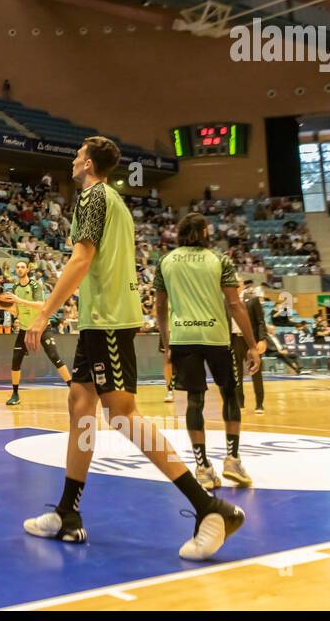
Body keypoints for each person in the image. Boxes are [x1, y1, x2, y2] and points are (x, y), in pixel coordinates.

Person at [20, 137, 243, 561]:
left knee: (123, 416)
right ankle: (68, 513)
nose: (71, 159)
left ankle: (210, 508)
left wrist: (44, 313)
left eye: (76, 154)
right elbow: (96, 265)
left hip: (108, 322)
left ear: (87, 163)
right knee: (80, 402)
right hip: (98, 321)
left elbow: (82, 260)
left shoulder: (91, 197)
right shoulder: (116, 201)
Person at [154, 213, 261, 491]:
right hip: (216, 337)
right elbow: (235, 305)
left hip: (182, 337)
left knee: (194, 401)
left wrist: (166, 342)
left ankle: (202, 468)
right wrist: (251, 345)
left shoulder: (166, 262)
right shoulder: (220, 260)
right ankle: (232, 459)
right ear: (203, 231)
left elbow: (160, 307)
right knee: (229, 395)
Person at [0, 259, 70, 406]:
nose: (19, 269)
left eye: (22, 267)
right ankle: (15, 394)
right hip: (25, 328)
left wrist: (19, 300)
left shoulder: (35, 285)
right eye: (17, 267)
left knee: (54, 356)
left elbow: (41, 305)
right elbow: (17, 311)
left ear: (27, 270)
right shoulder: (15, 287)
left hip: (40, 327)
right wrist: (8, 309)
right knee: (15, 361)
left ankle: (72, 388)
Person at [232, 281, 268, 415]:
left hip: (251, 340)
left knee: (256, 372)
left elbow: (260, 321)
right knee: (236, 373)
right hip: (234, 339)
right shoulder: (226, 301)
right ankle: (239, 402)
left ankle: (259, 403)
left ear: (240, 284)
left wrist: (262, 339)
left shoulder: (252, 299)